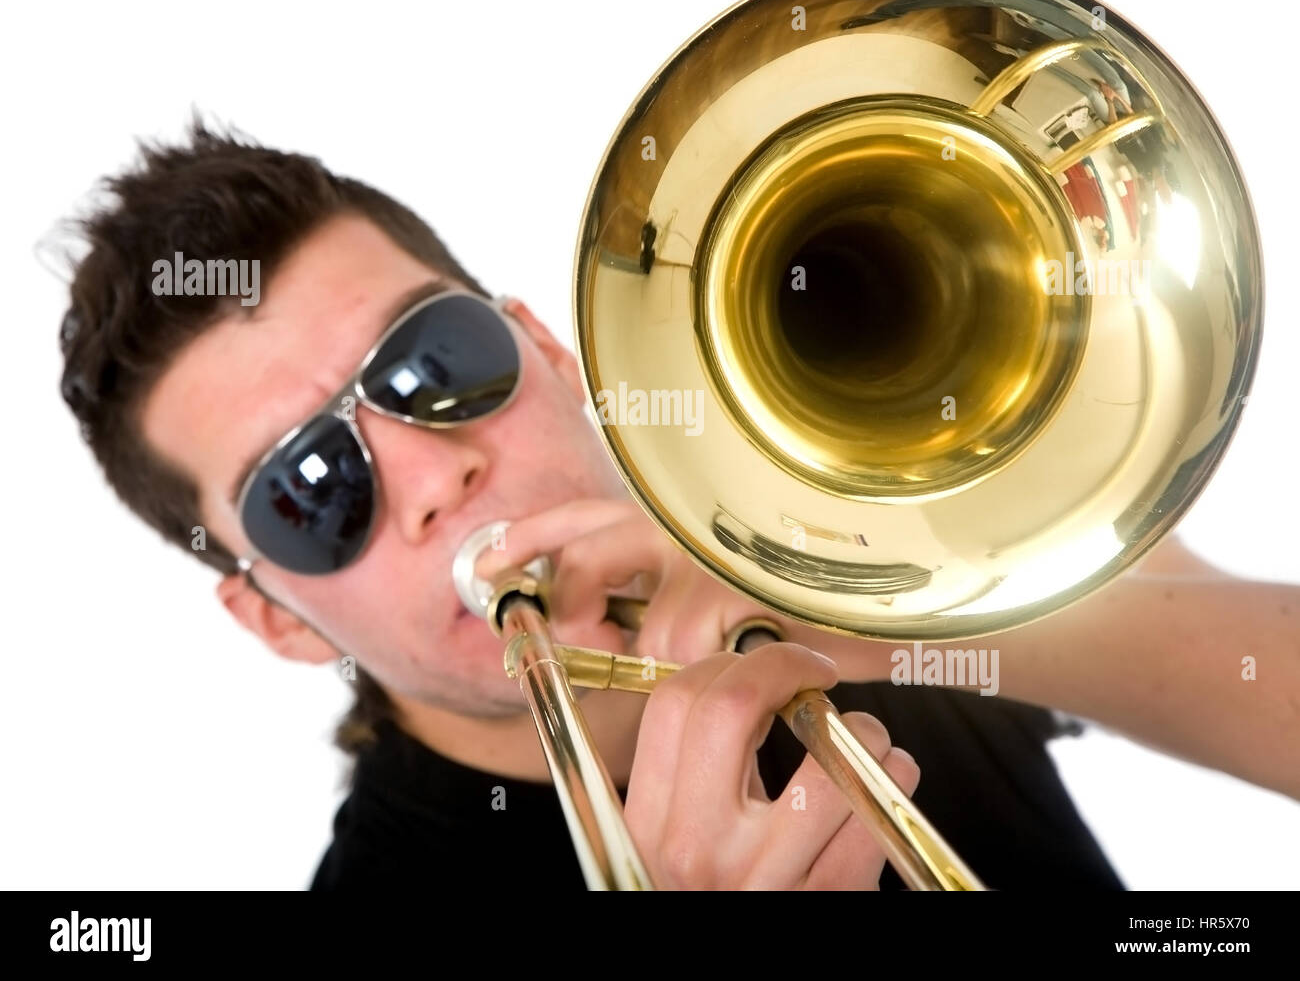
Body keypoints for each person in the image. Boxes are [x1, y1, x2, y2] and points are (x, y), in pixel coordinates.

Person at [57, 120, 1299, 890]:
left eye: (428, 364)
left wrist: (903, 604)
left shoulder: (839, 517)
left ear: (541, 345)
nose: (437, 476)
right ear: (276, 618)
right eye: (307, 489)